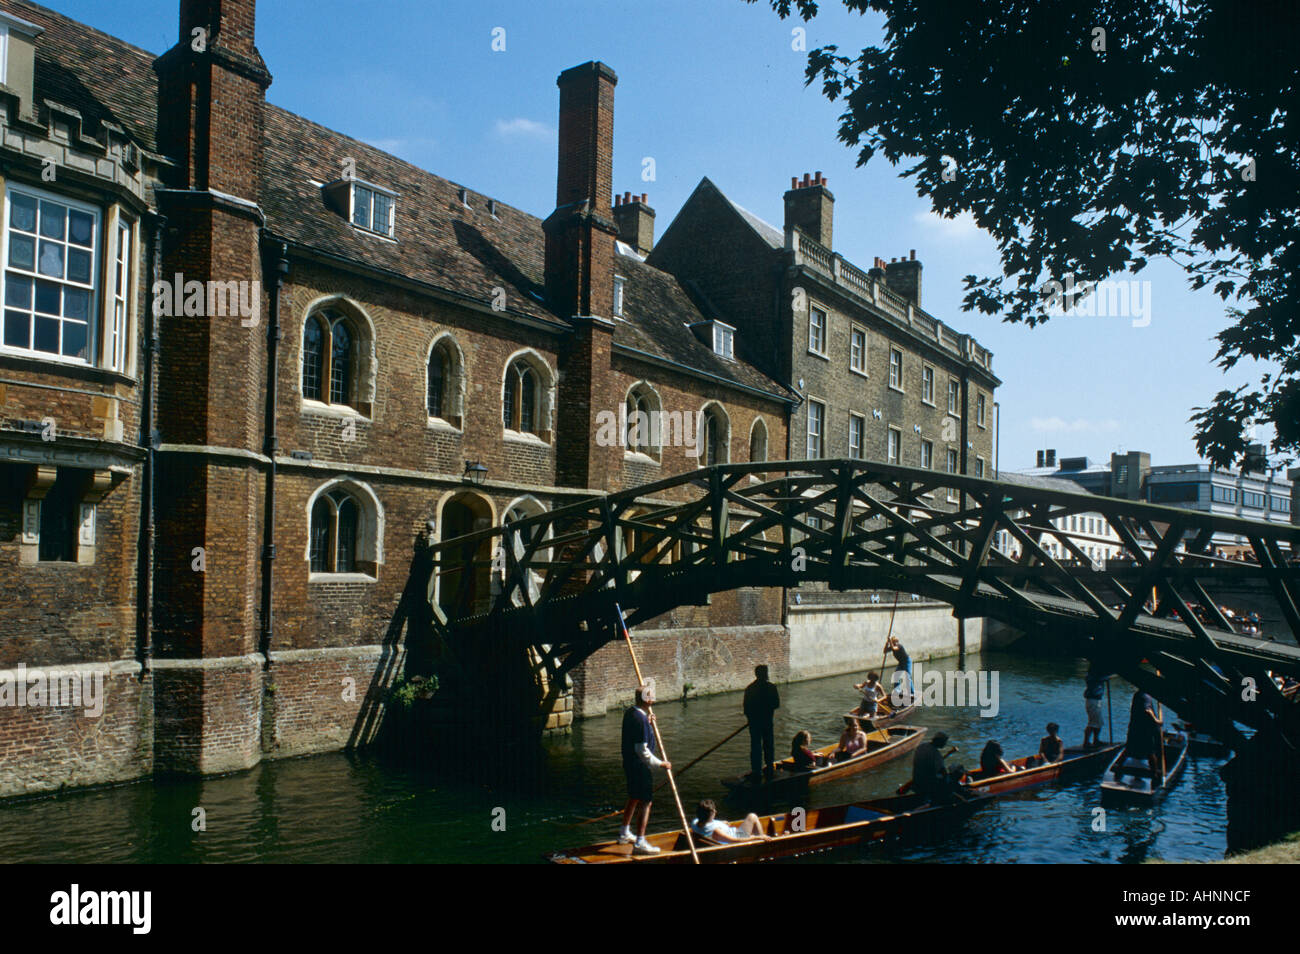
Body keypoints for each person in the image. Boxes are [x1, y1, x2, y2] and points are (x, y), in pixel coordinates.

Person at [619, 681, 671, 855]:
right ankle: (640, 842)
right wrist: (660, 764)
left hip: (629, 764)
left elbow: (637, 733)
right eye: (652, 695)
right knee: (646, 802)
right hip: (639, 766)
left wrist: (648, 723)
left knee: (633, 796)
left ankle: (624, 832)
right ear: (647, 699)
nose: (654, 698)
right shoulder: (640, 719)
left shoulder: (631, 713)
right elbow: (642, 750)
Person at [1115, 688, 1163, 786]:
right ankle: (1154, 775)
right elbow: (1147, 711)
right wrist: (1157, 721)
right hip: (1144, 730)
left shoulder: (1138, 694)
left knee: (1128, 750)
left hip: (1134, 728)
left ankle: (1118, 770)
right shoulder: (1145, 696)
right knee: (1150, 752)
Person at [743, 665, 781, 781]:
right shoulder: (771, 687)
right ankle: (769, 768)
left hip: (754, 723)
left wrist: (751, 718)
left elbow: (746, 708)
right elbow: (776, 704)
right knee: (768, 745)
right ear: (765, 674)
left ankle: (757, 771)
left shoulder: (750, 688)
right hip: (767, 721)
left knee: (755, 747)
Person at [912, 731, 963, 803]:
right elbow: (943, 772)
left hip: (916, 779)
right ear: (939, 741)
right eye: (944, 742)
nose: (945, 744)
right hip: (928, 784)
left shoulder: (922, 746)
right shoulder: (936, 754)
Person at [692, 799, 771, 843]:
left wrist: (721, 823)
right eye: (714, 811)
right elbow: (735, 840)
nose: (716, 812)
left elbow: (707, 823)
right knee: (752, 816)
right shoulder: (716, 831)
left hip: (729, 832)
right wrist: (757, 838)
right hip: (737, 836)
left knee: (751, 817)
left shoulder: (695, 822)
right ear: (710, 814)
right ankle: (762, 843)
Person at [1083, 674, 1106, 748]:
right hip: (1092, 700)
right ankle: (1086, 742)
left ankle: (1096, 740)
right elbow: (1102, 677)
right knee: (1093, 722)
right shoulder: (1093, 677)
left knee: (1099, 722)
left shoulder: (1098, 677)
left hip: (1096, 700)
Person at [889, 636, 914, 704]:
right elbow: (884, 651)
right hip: (901, 663)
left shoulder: (899, 646)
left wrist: (890, 642)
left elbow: (894, 649)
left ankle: (912, 693)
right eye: (894, 642)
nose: (896, 643)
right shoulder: (892, 646)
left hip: (906, 662)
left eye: (896, 641)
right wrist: (887, 643)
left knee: (907, 677)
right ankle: (897, 691)